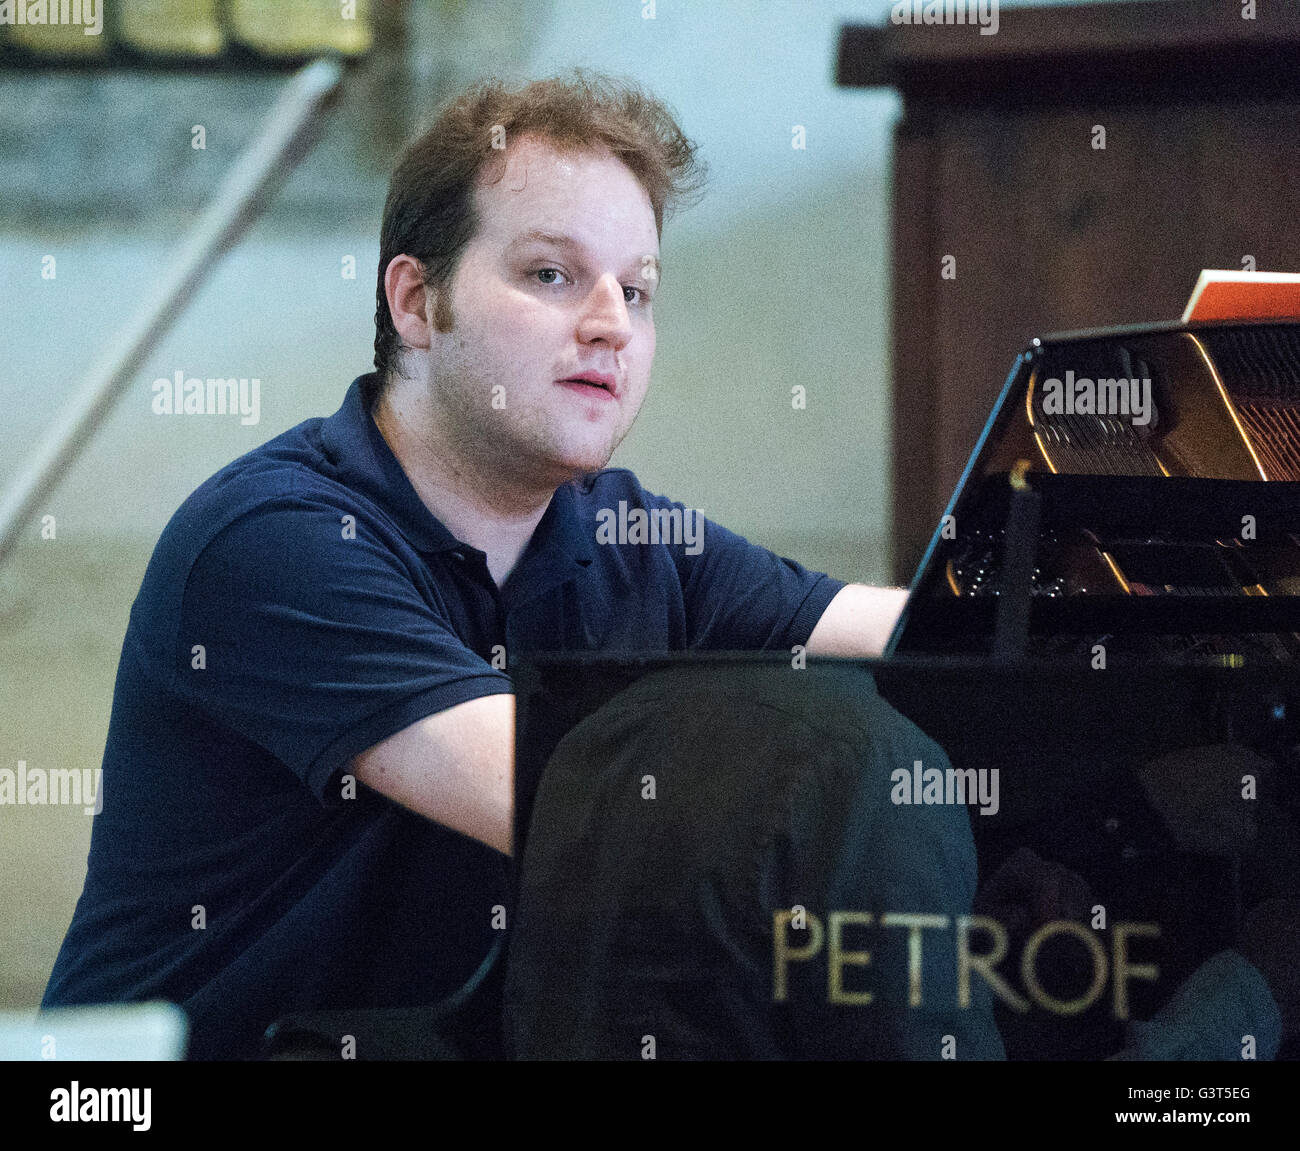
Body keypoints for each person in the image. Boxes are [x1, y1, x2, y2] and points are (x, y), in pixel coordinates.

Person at [41, 70, 906, 1059]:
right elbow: (570, 810)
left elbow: (923, 637)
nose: (610, 323)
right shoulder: (271, 541)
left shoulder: (621, 536)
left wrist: (1079, 578)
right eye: (551, 274)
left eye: (637, 290)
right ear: (416, 300)